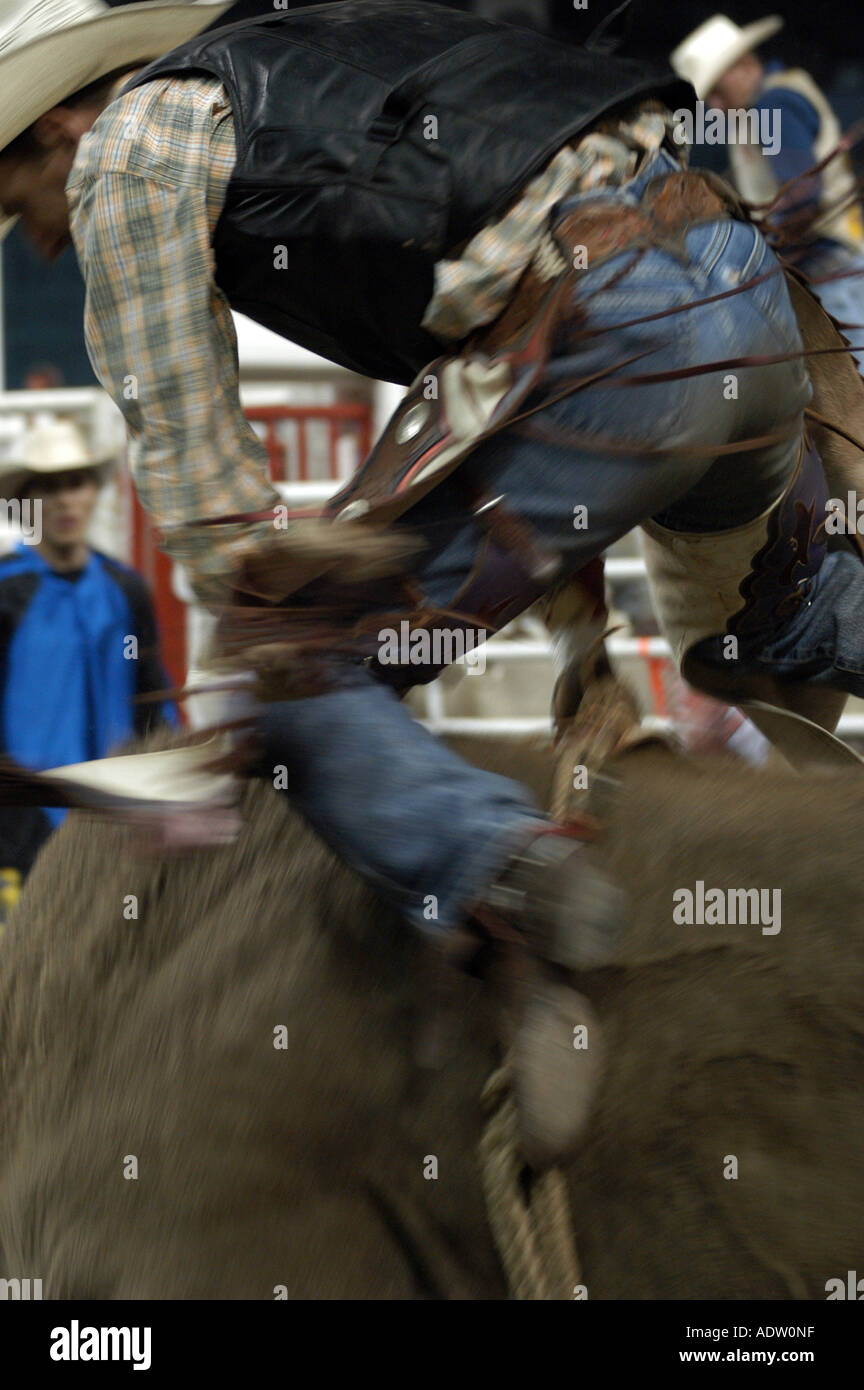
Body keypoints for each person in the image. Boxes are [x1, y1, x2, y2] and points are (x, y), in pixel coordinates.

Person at [1, 0, 863, 1154]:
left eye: (17, 204)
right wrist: (578, 656)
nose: (38, 241)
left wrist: (259, 637)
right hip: (732, 299)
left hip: (614, 342)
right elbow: (512, 386)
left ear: (59, 123)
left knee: (290, 688)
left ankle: (514, 889)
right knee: (769, 626)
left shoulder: (130, 147)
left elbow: (185, 439)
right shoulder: (347, 71)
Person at [0, 418, 177, 893]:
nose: (64, 500)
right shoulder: (6, 591)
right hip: (22, 826)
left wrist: (169, 786)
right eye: (49, 487)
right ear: (26, 501)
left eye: (75, 483)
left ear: (94, 493)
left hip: (114, 819)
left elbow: (151, 697)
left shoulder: (125, 589)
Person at [671, 13, 864, 367]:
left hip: (829, 272)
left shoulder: (774, 104)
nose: (714, 105)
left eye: (716, 90)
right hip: (830, 269)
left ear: (743, 66)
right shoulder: (764, 105)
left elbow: (803, 199)